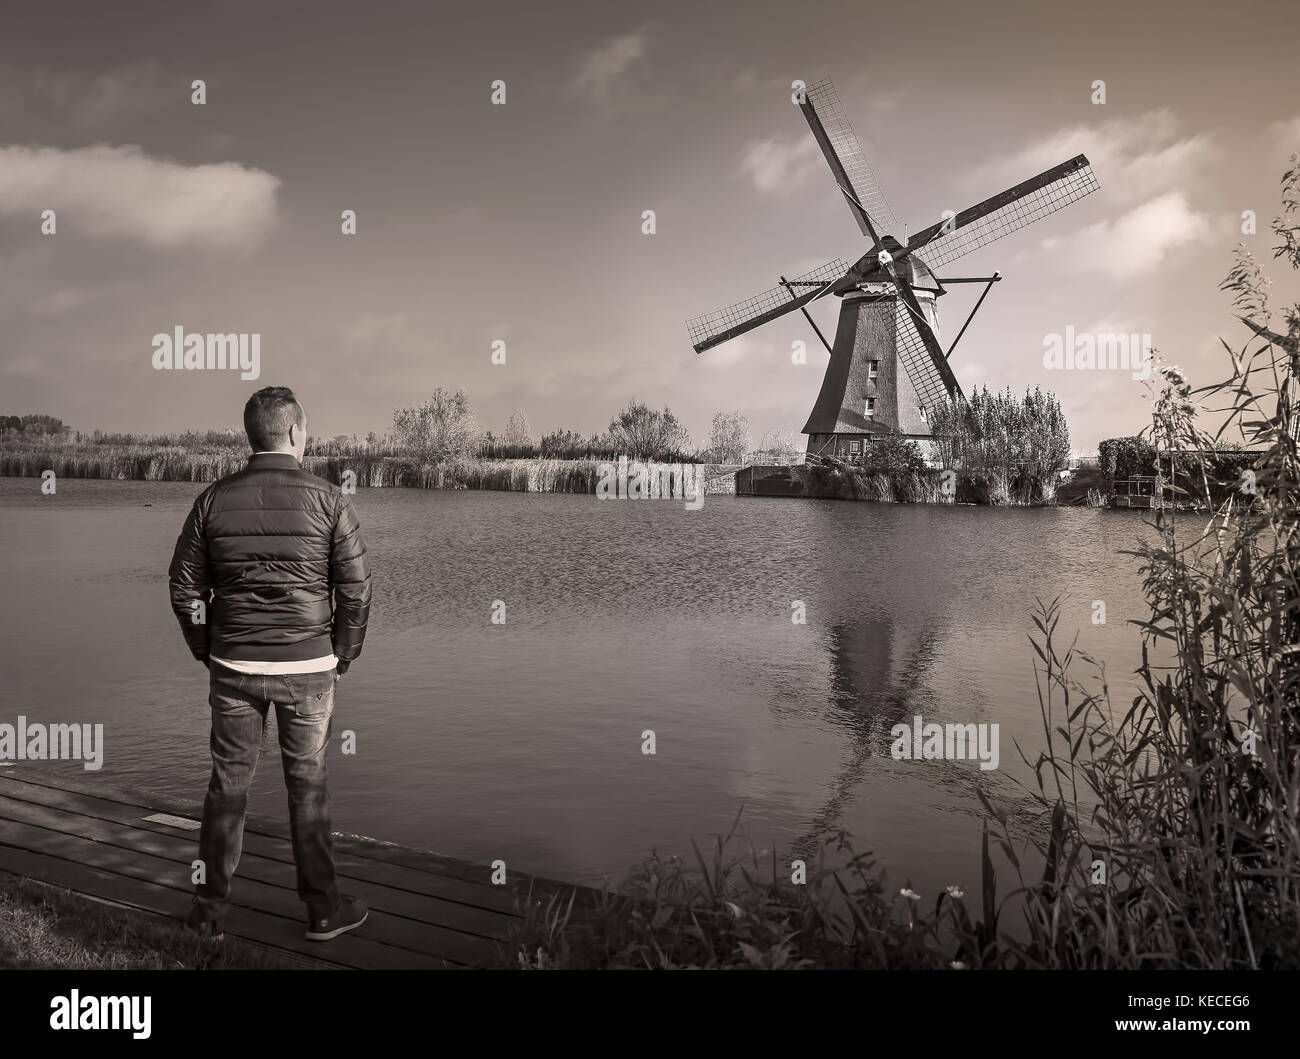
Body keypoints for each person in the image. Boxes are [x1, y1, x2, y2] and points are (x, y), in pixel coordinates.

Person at [168, 386, 372, 942]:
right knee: (308, 785)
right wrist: (344, 654)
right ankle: (324, 911)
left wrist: (205, 647)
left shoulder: (212, 498)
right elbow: (355, 592)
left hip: (232, 666)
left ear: (252, 436)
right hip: (308, 669)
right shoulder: (331, 500)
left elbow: (185, 586)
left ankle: (207, 915)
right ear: (296, 432)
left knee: (227, 786)